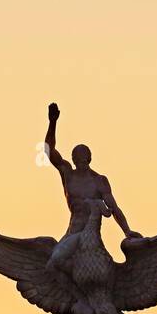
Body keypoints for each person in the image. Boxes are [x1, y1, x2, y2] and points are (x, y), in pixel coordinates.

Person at [43, 102, 141, 273]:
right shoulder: (68, 174)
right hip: (72, 233)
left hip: (90, 235)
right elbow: (49, 151)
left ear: (89, 158)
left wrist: (127, 231)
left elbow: (113, 207)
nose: (79, 160)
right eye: (76, 157)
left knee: (57, 259)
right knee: (52, 265)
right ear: (72, 159)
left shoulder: (99, 181)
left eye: (83, 157)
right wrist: (53, 123)